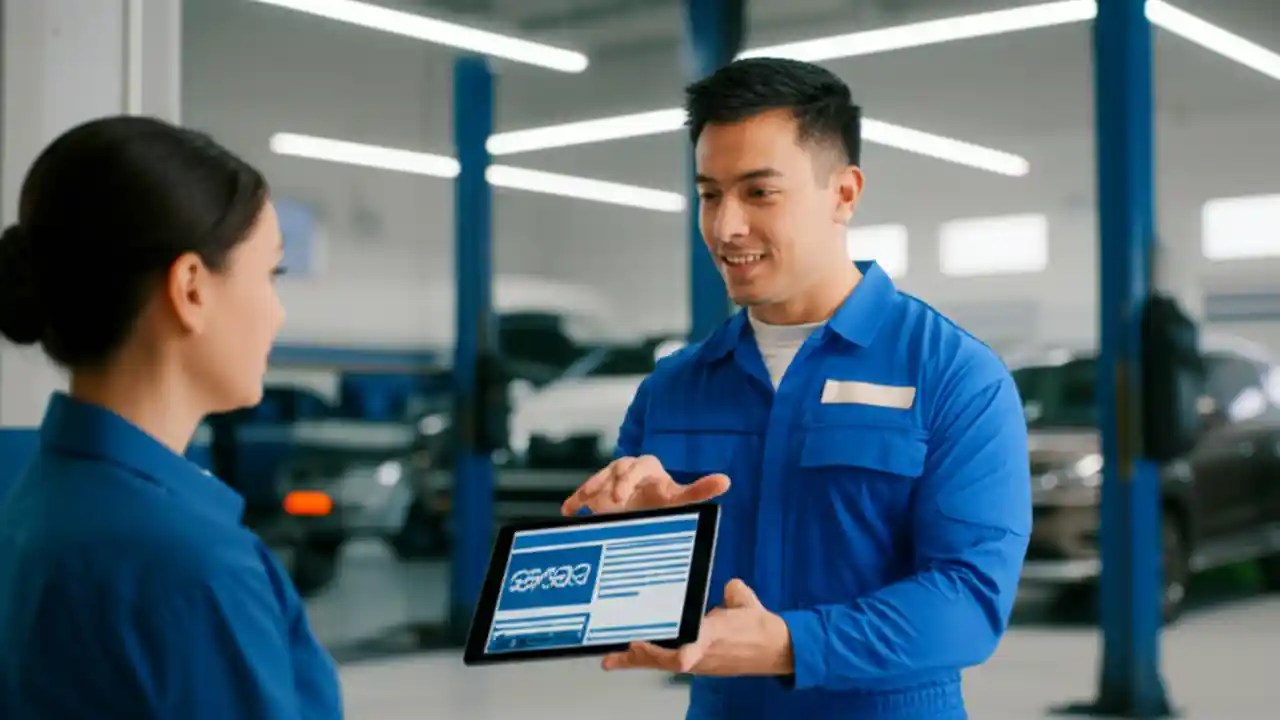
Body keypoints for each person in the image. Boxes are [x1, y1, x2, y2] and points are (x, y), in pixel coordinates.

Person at [561, 58, 1032, 720]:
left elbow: (969, 603)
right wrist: (624, 543)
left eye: (759, 193)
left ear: (844, 193)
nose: (725, 227)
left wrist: (789, 643)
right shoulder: (673, 389)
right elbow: (627, 610)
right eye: (709, 194)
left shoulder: (953, 375)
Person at [0, 116, 342, 719]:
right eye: (271, 275)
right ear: (190, 289)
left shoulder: (33, 500)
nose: (278, 314)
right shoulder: (191, 567)